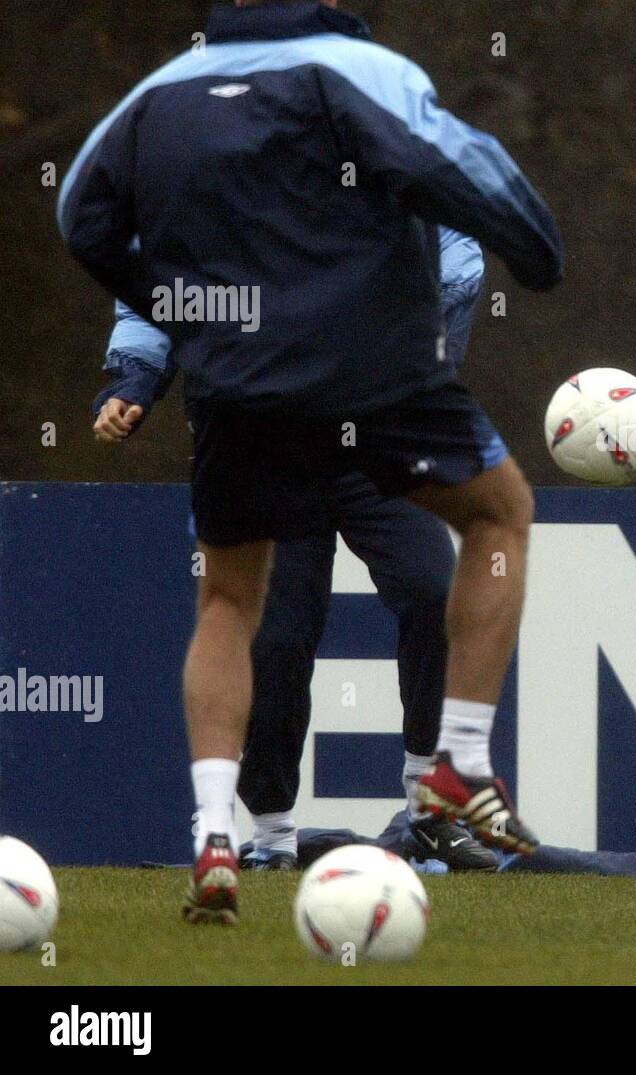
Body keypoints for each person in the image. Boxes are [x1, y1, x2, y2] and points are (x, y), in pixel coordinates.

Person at [59, 0, 562, 923]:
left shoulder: (158, 93)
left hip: (238, 389)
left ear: (239, 1)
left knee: (227, 606)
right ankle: (458, 764)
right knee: (499, 512)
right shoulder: (355, 65)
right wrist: (536, 250)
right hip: (371, 378)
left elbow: (81, 211)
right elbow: (461, 162)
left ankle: (214, 828)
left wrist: (182, 307)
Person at [91, 226, 498, 874]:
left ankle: (430, 814)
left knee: (436, 591)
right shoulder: (213, 153)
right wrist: (135, 377)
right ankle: (273, 832)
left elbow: (454, 249)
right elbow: (163, 275)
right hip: (263, 443)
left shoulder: (379, 139)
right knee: (278, 641)